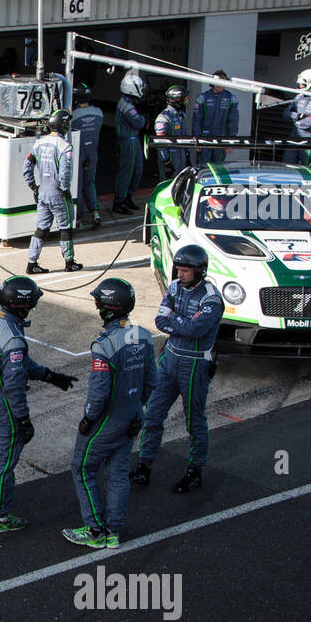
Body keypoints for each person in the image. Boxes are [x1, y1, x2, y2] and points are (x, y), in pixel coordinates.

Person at [0, 276, 76, 533]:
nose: (33, 307)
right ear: (21, 304)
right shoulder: (14, 341)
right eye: (31, 303)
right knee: (4, 463)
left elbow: (8, 366)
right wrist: (23, 420)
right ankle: (1, 518)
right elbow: (13, 385)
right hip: (5, 409)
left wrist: (50, 376)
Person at [64, 278, 156, 549]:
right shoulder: (145, 335)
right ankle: (113, 532)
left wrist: (88, 419)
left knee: (82, 468)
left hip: (107, 420)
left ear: (105, 307)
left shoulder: (103, 345)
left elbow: (99, 392)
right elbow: (152, 381)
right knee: (117, 474)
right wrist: (138, 412)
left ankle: (94, 530)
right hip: (132, 417)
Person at [130, 244, 223, 494]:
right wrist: (180, 322)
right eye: (178, 270)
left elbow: (196, 331)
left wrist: (175, 321)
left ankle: (195, 471)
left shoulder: (212, 298)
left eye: (185, 271)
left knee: (194, 421)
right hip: (169, 361)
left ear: (199, 271)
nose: (179, 275)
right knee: (152, 415)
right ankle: (144, 466)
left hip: (195, 365)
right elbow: (160, 321)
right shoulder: (173, 288)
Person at [23, 109, 83, 274]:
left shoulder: (39, 143)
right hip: (57, 193)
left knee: (41, 229)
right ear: (63, 125)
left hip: (42, 191)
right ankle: (69, 262)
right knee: (65, 228)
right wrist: (65, 189)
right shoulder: (65, 146)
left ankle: (31, 263)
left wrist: (34, 186)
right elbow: (65, 172)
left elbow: (26, 167)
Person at [113, 69, 147, 214]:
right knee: (126, 171)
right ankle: (119, 202)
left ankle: (128, 197)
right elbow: (139, 122)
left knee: (137, 170)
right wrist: (145, 118)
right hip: (128, 141)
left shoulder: (129, 102)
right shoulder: (126, 105)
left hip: (134, 139)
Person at [70, 84, 104, 229]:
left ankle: (78, 219)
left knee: (77, 184)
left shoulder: (73, 115)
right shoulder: (99, 113)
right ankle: (95, 213)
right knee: (90, 183)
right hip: (93, 151)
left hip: (79, 152)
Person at [191, 70, 239, 164]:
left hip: (222, 139)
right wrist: (196, 140)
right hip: (204, 139)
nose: (220, 84)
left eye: (223, 81)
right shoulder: (202, 98)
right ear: (212, 82)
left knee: (219, 167)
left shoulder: (231, 98)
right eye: (217, 81)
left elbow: (233, 122)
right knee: (203, 166)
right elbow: (197, 121)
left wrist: (230, 142)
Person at [283, 68, 311, 165]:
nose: (300, 86)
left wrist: (295, 118)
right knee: (287, 166)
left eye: (303, 84)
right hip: (293, 139)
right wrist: (300, 116)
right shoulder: (298, 97)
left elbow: (308, 123)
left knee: (306, 171)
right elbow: (285, 114)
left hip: (309, 142)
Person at [153, 85, 189, 180]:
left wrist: (187, 153)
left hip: (181, 156)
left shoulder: (182, 115)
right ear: (177, 99)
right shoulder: (163, 118)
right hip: (171, 158)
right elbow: (160, 143)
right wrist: (166, 162)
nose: (186, 101)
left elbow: (184, 136)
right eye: (185, 99)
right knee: (167, 187)